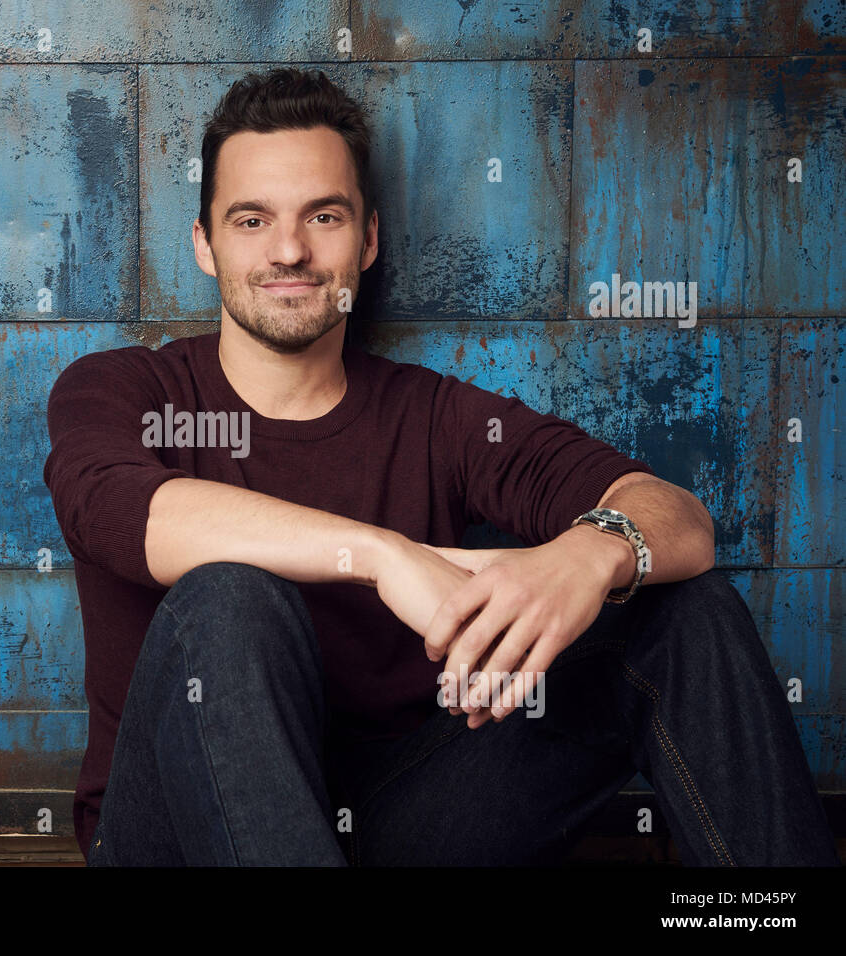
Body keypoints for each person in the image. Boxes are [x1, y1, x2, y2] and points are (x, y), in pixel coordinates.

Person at [41, 67, 838, 866]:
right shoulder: (125, 390)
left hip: (391, 823)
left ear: (370, 240)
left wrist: (591, 554)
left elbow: (680, 520)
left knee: (680, 606)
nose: (289, 250)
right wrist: (386, 558)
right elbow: (117, 508)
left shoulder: (439, 418)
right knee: (228, 596)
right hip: (169, 835)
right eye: (251, 220)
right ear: (205, 245)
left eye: (324, 215)